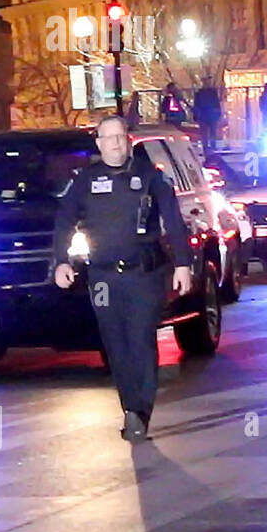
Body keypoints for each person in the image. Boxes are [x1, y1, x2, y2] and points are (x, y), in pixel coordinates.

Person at [52, 114, 194, 441]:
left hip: (143, 274)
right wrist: (61, 262)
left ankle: (140, 410)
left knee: (141, 339)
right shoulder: (85, 181)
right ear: (98, 143)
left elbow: (173, 221)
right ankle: (130, 406)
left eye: (120, 137)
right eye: (108, 138)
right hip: (103, 276)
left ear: (128, 139)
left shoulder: (149, 177)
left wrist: (183, 264)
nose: (115, 143)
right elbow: (64, 221)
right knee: (116, 345)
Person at [192, 77, 222, 158]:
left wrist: (218, 113)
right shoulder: (200, 93)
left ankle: (213, 147)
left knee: (212, 132)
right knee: (205, 133)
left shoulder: (212, 92)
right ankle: (206, 148)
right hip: (204, 115)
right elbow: (196, 105)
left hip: (210, 115)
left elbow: (217, 104)